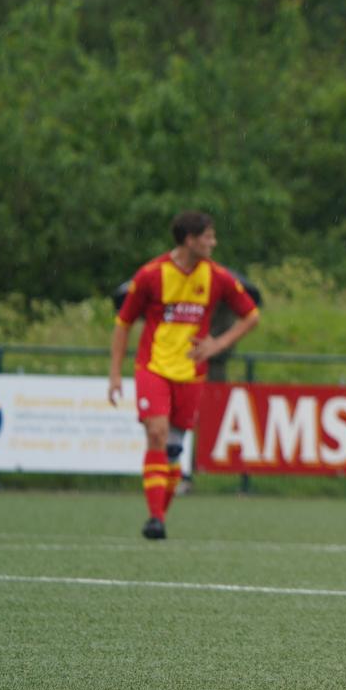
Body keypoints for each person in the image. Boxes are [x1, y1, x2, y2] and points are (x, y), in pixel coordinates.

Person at [109, 211, 261, 540]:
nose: (213, 242)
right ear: (190, 240)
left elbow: (251, 315)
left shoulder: (217, 277)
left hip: (191, 373)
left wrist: (217, 344)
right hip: (153, 367)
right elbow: (123, 324)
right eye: (208, 236)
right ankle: (155, 518)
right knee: (157, 434)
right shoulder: (151, 274)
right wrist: (115, 374)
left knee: (174, 450)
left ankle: (159, 516)